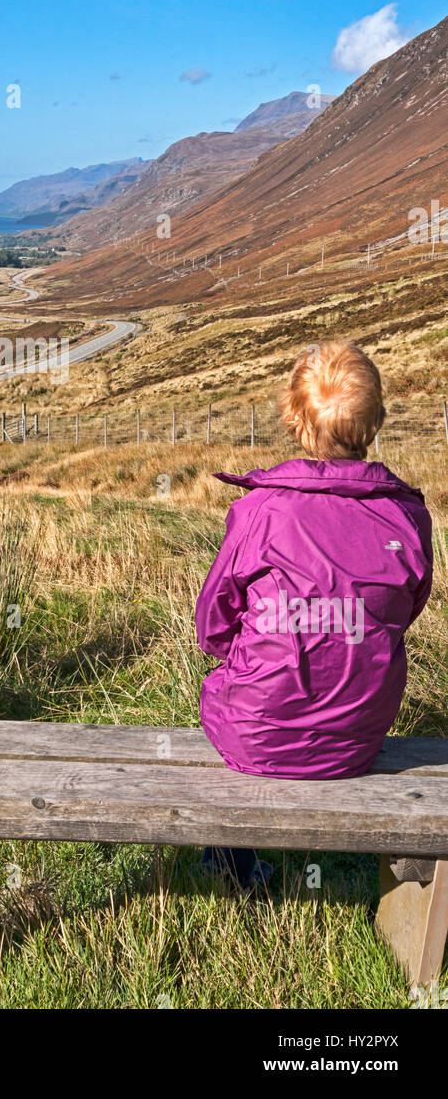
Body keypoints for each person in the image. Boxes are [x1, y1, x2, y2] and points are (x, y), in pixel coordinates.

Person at [196, 341, 433, 888]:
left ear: (294, 421)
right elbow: (406, 609)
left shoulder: (259, 511)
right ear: (377, 421)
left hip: (254, 733)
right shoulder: (407, 516)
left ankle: (231, 864)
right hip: (358, 738)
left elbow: (212, 627)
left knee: (226, 691)